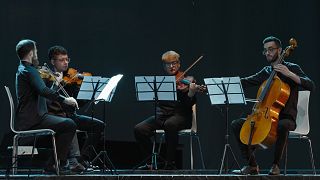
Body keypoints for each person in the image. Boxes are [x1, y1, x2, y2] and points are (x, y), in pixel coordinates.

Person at [231, 36, 315, 175]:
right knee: (236, 124)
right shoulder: (266, 71)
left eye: (271, 49)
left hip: (286, 118)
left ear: (280, 50)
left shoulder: (292, 68)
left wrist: (290, 74)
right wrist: (220, 84)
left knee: (282, 125)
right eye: (265, 50)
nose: (267, 53)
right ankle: (252, 165)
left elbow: (310, 85)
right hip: (264, 116)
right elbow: (246, 81)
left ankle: (275, 165)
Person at [15, 39, 78, 174]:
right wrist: (65, 100)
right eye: (36, 51)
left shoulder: (24, 69)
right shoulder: (29, 71)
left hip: (33, 117)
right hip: (34, 119)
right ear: (31, 53)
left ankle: (58, 163)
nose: (37, 54)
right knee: (69, 124)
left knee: (67, 123)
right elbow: (43, 90)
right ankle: (55, 164)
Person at [134, 50, 201, 170]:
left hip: (181, 116)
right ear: (164, 66)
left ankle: (170, 163)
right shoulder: (161, 82)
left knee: (170, 124)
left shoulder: (187, 80)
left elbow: (189, 104)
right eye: (168, 64)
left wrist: (191, 92)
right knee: (139, 129)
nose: (171, 66)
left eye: (174, 63)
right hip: (162, 116)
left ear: (179, 64)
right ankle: (152, 162)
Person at [46, 45, 105, 170]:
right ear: (53, 61)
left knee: (99, 125)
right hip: (57, 117)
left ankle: (83, 158)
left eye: (67, 59)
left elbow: (78, 103)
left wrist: (88, 95)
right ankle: (73, 161)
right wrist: (56, 83)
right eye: (61, 60)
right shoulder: (48, 79)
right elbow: (48, 101)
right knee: (70, 122)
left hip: (71, 115)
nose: (65, 62)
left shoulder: (72, 78)